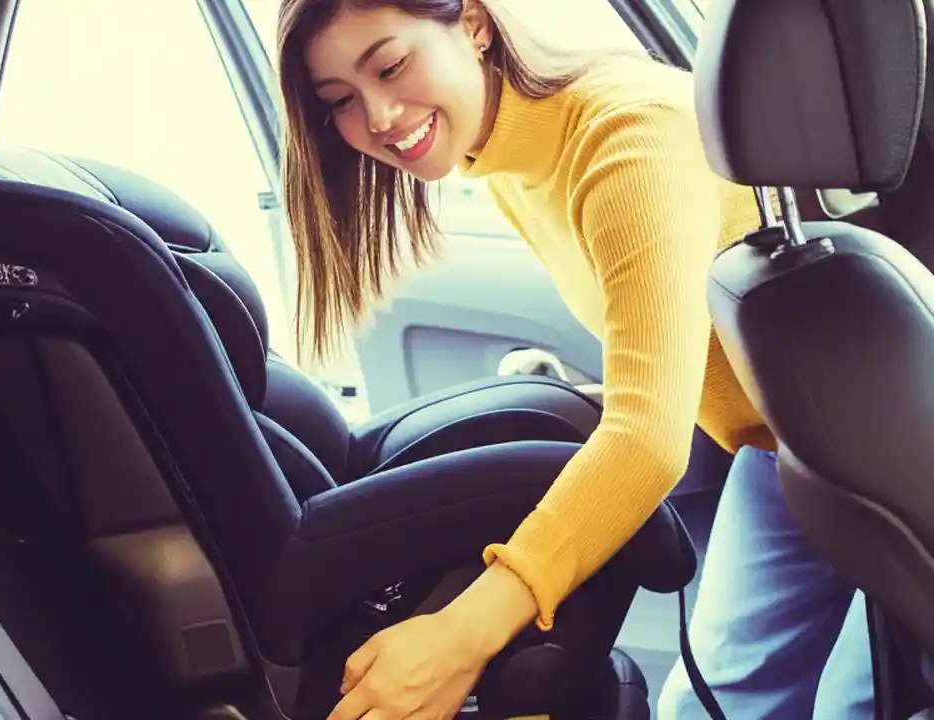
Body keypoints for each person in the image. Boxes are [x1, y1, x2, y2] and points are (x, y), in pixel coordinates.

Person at [271, 1, 876, 718]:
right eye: (340, 100)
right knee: (709, 710)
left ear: (472, 22)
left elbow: (648, 442)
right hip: (792, 456)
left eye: (392, 66)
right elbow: (668, 346)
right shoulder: (504, 161)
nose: (378, 117)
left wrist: (460, 637)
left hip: (889, 455)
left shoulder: (628, 137)